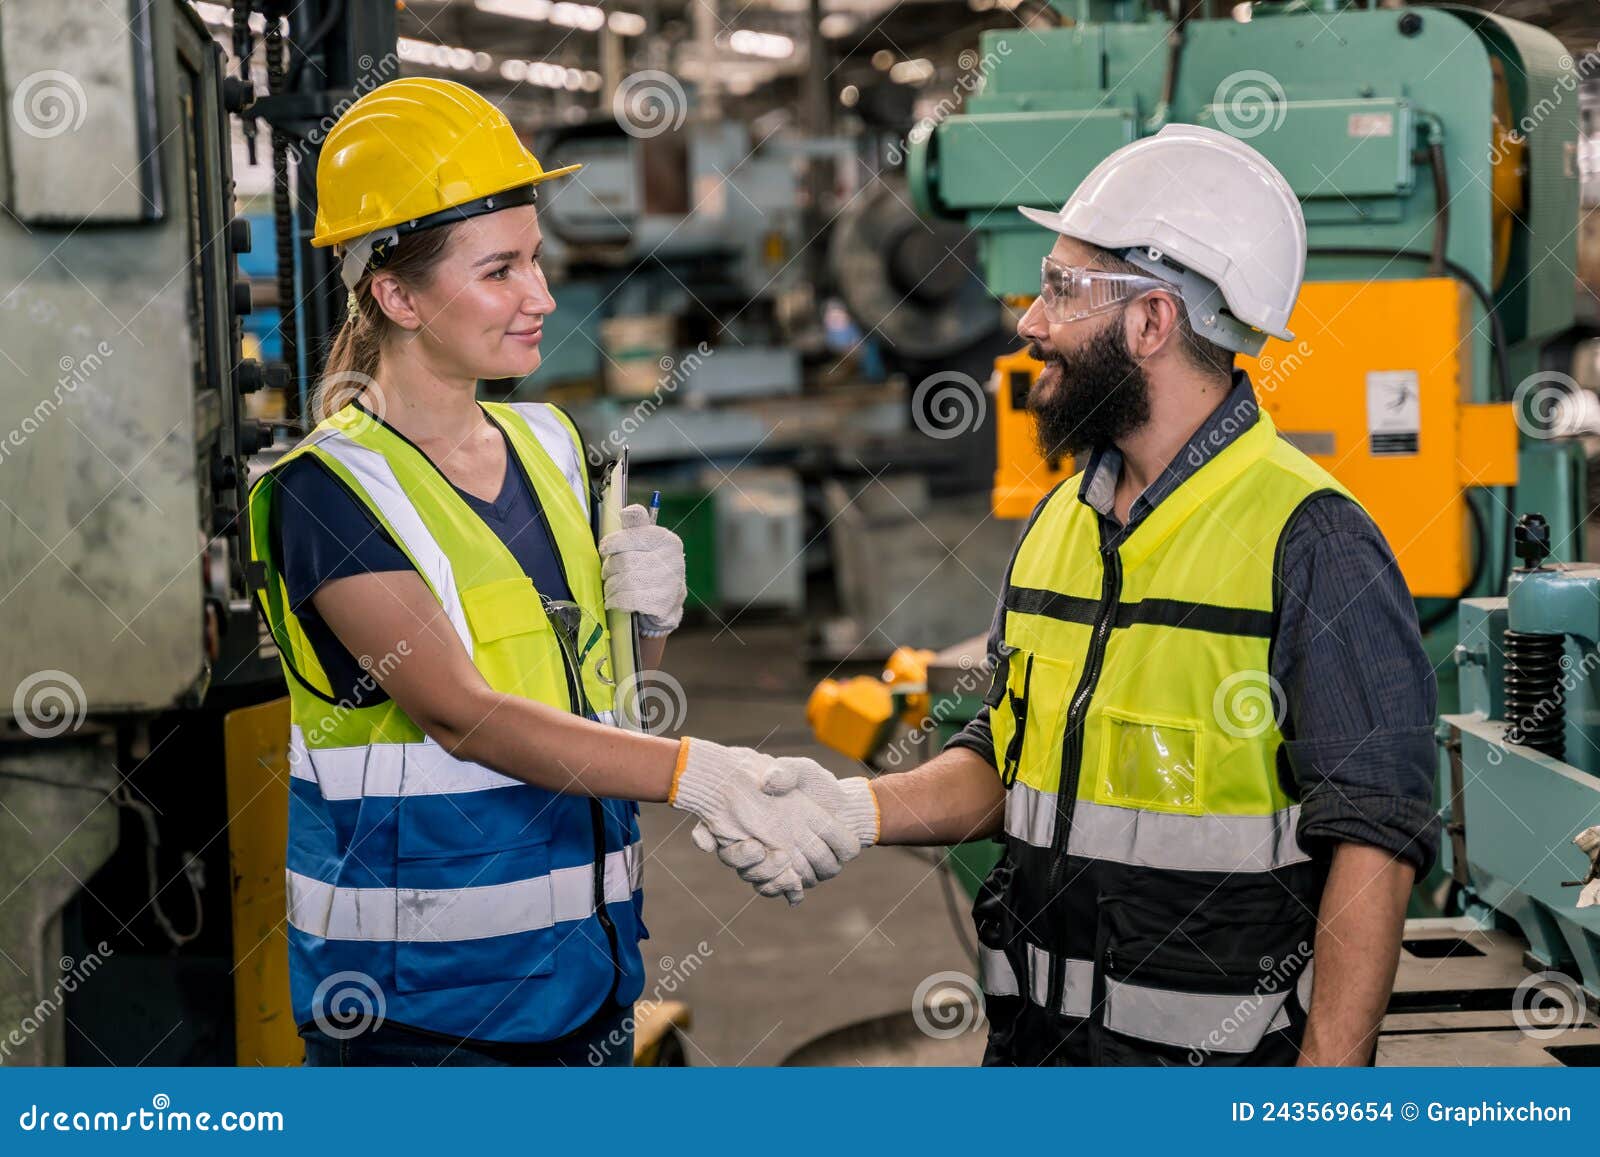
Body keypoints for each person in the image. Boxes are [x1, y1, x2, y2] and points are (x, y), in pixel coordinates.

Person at [705, 125, 1439, 1067]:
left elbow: (1376, 836)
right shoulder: (1061, 520)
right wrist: (856, 811)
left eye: (1062, 289)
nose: (1029, 320)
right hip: (1038, 1056)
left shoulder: (1313, 539)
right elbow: (1005, 759)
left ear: (1153, 321)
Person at [245, 77, 878, 1067]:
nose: (540, 297)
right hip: (424, 1016)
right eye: (499, 270)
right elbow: (462, 712)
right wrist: (701, 772)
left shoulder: (548, 441)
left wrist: (649, 618)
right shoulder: (329, 491)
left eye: (535, 261)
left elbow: (598, 694)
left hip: (591, 970)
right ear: (396, 293)